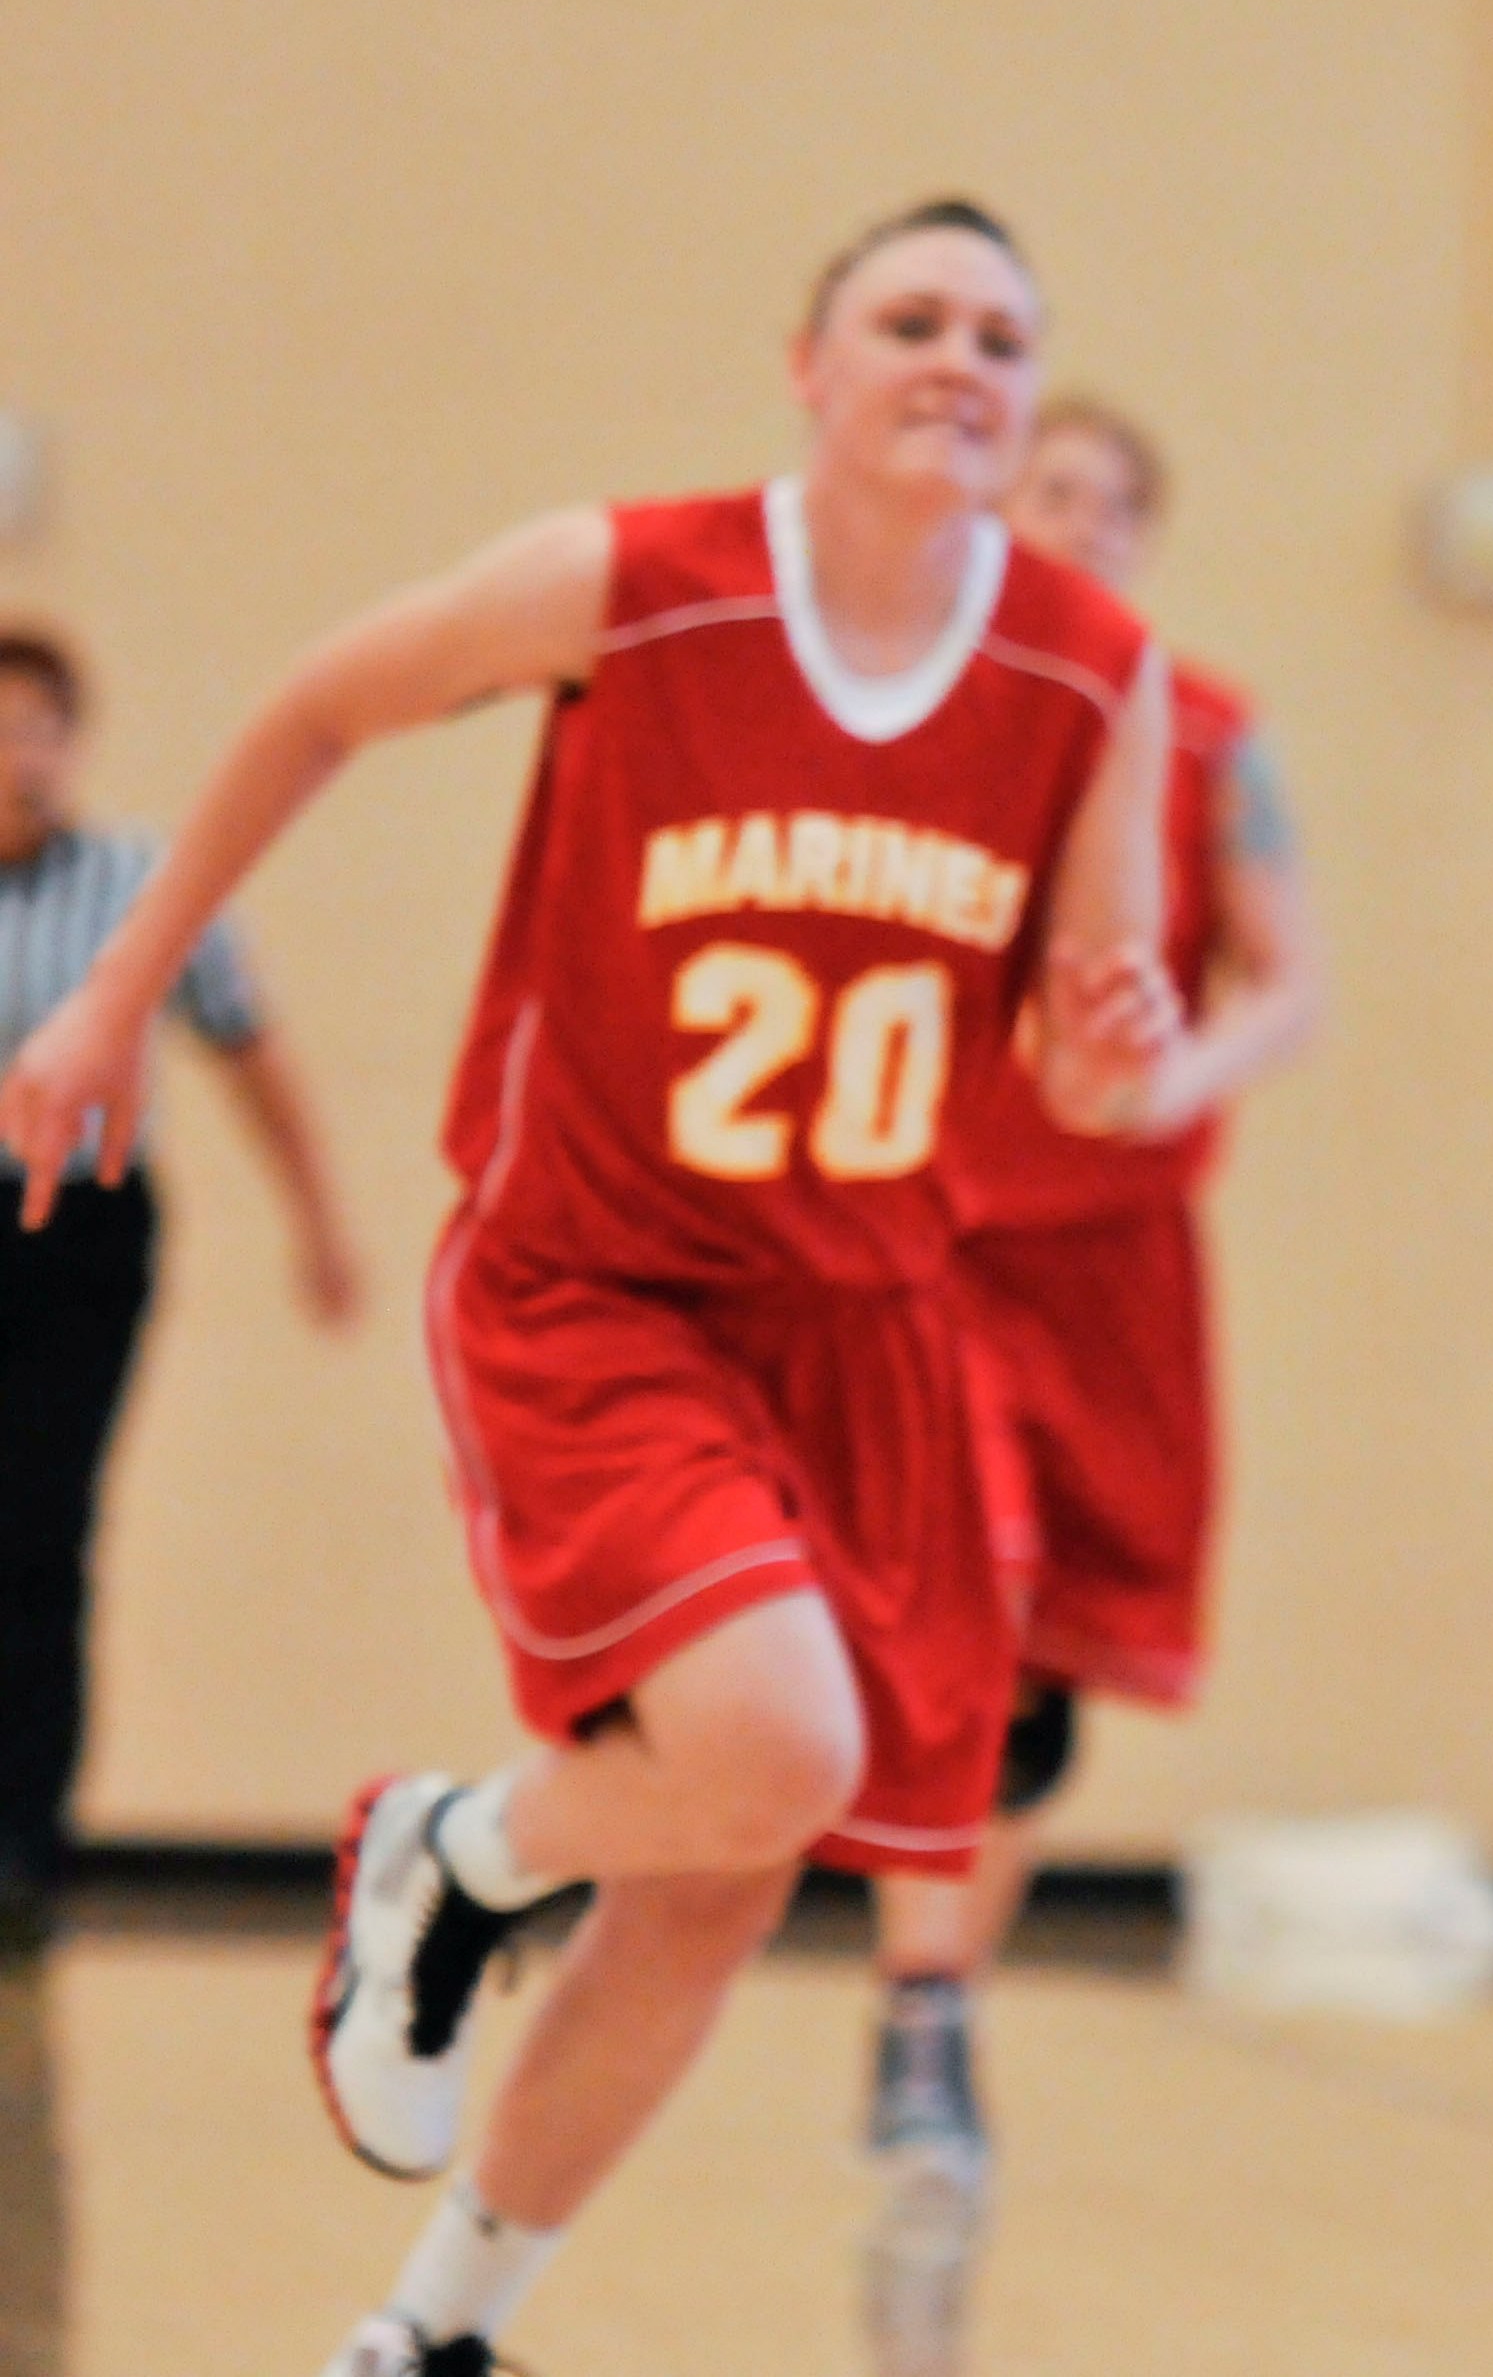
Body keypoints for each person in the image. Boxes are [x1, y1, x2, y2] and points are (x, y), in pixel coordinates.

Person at [0, 197, 1179, 2377]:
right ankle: (444, 1851)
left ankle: (433, 2332)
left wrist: (1124, 1057)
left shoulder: (1085, 669)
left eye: (1001, 335)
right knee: (776, 1748)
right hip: (604, 1284)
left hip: (868, 1324)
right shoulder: (633, 584)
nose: (957, 358)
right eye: (907, 318)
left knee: (722, 1876)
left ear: (1030, 404)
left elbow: (1093, 1052)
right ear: (808, 369)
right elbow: (314, 706)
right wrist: (110, 1005)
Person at [857, 394, 1321, 2377]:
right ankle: (921, 2001)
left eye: (1113, 503)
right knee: (954, 1619)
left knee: (1052, 1674)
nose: (1079, 525)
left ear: (1141, 537)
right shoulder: (910, 713)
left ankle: (932, 1997)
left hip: (1120, 1255)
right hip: (932, 1236)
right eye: (1050, 493)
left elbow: (1283, 982)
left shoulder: (1211, 730)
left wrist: (1176, 1083)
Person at [0, 622, 359, 1952]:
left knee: (38, 1528)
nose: (17, 749)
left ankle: (23, 1840)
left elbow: (251, 1054)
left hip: (81, 1234)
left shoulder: (138, 884)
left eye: (40, 723)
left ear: (70, 743)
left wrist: (318, 1225)